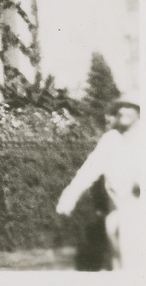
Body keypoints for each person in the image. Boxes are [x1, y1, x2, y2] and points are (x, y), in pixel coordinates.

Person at [56, 94, 141, 270]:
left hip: (142, 210)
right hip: (116, 210)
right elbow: (89, 170)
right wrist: (69, 198)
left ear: (139, 111)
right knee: (119, 262)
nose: (123, 111)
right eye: (121, 107)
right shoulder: (110, 139)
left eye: (129, 106)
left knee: (139, 263)